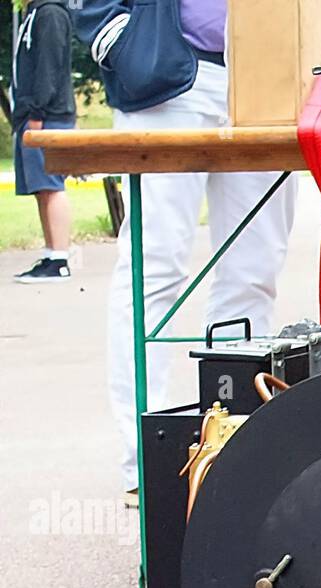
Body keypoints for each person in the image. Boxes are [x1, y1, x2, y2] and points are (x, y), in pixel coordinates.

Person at [73, 1, 298, 506]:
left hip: (267, 74)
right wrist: (120, 41)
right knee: (153, 268)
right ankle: (145, 461)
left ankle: (232, 441)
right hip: (167, 72)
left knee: (254, 269)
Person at [11, 0, 76, 284]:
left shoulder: (50, 13)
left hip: (47, 114)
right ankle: (51, 254)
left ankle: (60, 259)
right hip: (32, 113)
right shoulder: (34, 12)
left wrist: (38, 111)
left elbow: (49, 64)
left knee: (50, 184)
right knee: (40, 187)